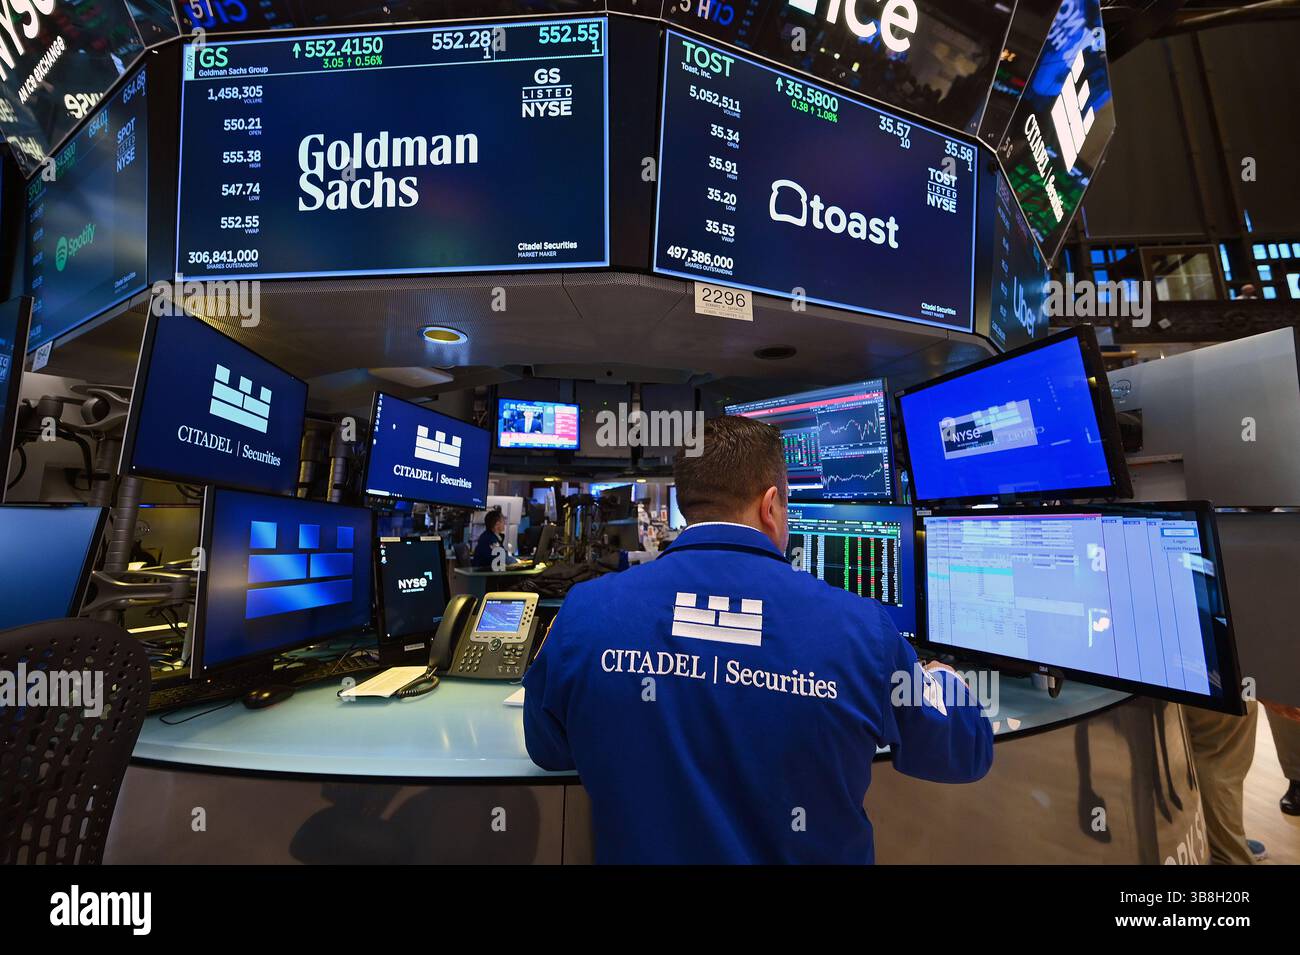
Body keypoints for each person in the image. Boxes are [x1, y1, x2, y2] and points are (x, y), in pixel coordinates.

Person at [523, 415, 993, 863]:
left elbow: (548, 748)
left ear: (688, 503)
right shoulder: (865, 632)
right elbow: (963, 752)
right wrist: (943, 681)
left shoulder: (586, 611)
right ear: (771, 505)